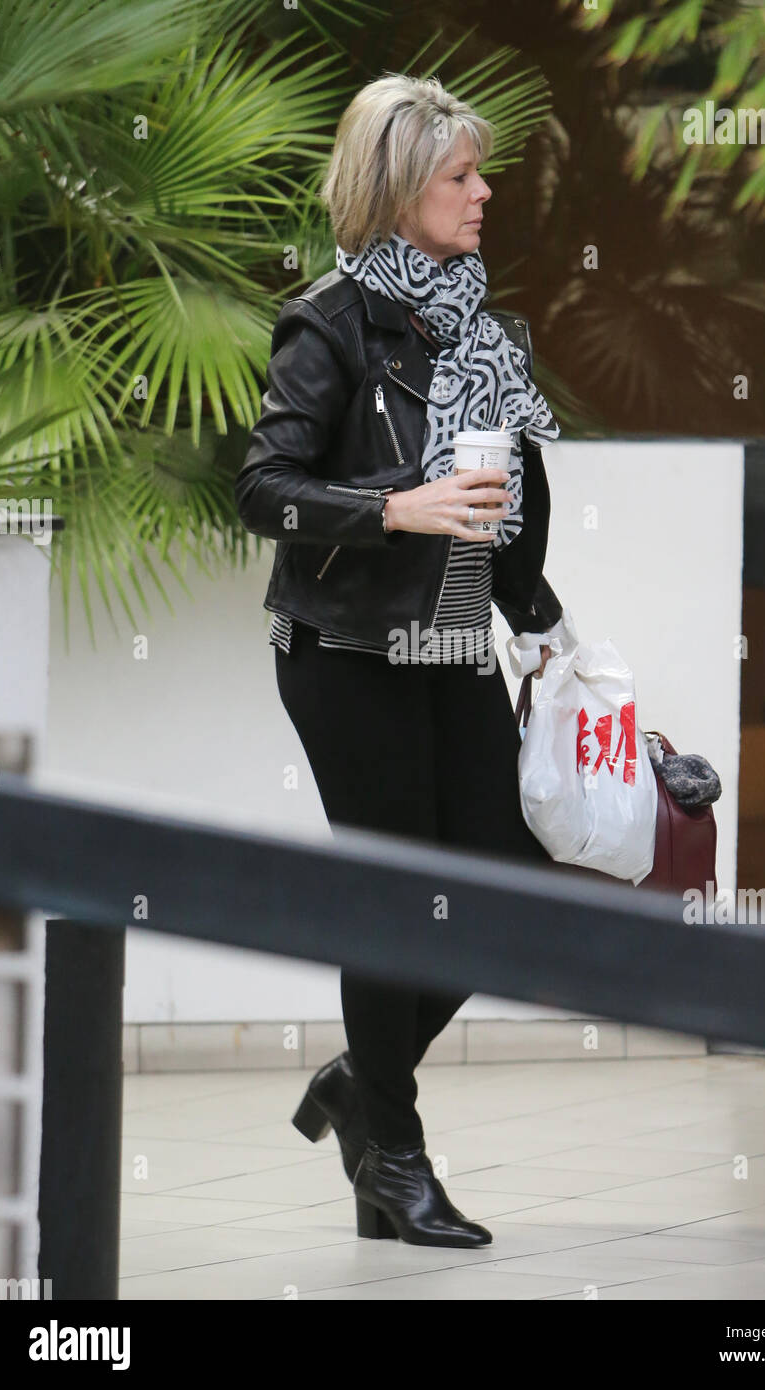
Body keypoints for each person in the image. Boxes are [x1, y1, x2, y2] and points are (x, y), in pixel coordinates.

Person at [234, 72, 565, 1250]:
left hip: (453, 639)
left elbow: (511, 498)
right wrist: (397, 505)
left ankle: (355, 1093)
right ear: (395, 189)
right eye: (460, 176)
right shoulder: (327, 320)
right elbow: (264, 488)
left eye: (480, 174)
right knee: (396, 899)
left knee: (509, 880)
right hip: (346, 650)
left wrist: (549, 626)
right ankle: (398, 1156)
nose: (483, 195)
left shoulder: (471, 322)